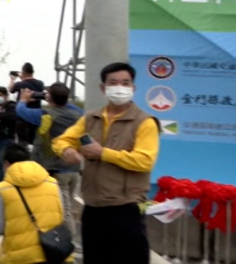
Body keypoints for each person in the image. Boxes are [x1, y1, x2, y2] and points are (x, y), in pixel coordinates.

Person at [52, 62, 159, 264]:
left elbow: (145, 160)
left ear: (133, 88)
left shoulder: (145, 122)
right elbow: (61, 140)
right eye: (114, 83)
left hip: (126, 208)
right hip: (93, 207)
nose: (120, 87)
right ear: (103, 88)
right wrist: (66, 149)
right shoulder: (91, 119)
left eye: (125, 83)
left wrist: (103, 153)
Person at [16, 84, 83, 238]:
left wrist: (24, 99)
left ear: (50, 97)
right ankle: (60, 238)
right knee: (67, 206)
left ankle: (69, 244)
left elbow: (21, 110)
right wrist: (59, 98)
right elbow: (67, 105)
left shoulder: (46, 114)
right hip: (73, 169)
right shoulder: (78, 113)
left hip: (55, 170)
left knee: (62, 210)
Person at [0, 143, 73, 264]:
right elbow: (61, 216)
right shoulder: (53, 183)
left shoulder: (2, 190)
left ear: (6, 164)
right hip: (55, 253)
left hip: (19, 258)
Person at [10, 63, 45, 143]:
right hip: (36, 117)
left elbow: (11, 90)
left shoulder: (20, 84)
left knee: (23, 143)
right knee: (34, 141)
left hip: (22, 118)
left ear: (23, 72)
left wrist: (12, 79)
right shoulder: (40, 83)